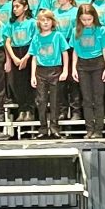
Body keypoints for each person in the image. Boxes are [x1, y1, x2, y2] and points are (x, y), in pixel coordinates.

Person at [70, 5, 105, 138]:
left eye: (89, 19)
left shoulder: (100, 30)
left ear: (94, 17)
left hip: (98, 64)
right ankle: (89, 129)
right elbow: (75, 51)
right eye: (83, 19)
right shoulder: (76, 31)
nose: (86, 22)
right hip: (82, 65)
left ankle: (98, 129)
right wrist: (73, 68)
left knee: (98, 98)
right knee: (86, 99)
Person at [29, 10, 68, 139]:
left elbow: (65, 53)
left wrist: (65, 70)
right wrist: (33, 75)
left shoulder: (58, 36)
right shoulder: (36, 38)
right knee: (41, 101)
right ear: (39, 23)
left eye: (48, 20)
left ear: (52, 22)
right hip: (40, 71)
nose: (45, 23)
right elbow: (34, 57)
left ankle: (55, 127)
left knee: (55, 100)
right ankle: (43, 128)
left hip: (55, 70)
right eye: (43, 20)